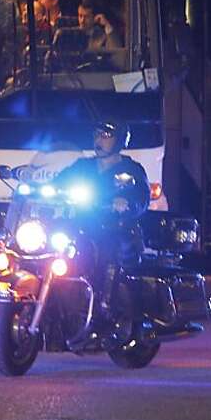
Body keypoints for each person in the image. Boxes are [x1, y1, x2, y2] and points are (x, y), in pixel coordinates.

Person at [52, 122, 150, 319]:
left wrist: (127, 203)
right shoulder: (83, 167)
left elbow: (141, 198)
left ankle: (103, 307)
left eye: (105, 136)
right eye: (97, 135)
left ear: (120, 140)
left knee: (105, 255)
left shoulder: (131, 170)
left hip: (116, 228)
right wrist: (38, 189)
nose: (99, 140)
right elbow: (57, 184)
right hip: (81, 226)